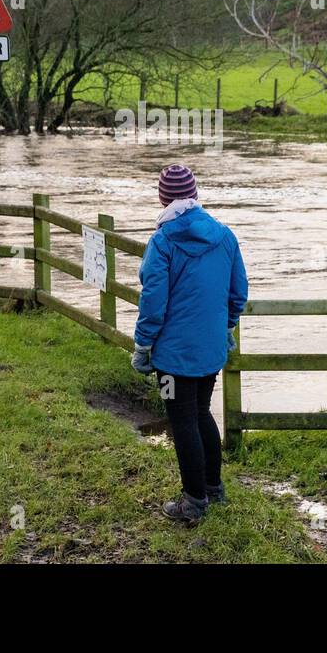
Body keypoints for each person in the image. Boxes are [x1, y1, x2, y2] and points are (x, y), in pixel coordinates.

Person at [132, 163, 248, 524]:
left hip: (173, 355)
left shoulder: (163, 241)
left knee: (182, 421)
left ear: (163, 198)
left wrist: (143, 346)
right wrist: (225, 326)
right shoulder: (225, 235)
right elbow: (238, 292)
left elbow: (153, 300)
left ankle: (193, 501)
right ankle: (213, 489)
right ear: (195, 196)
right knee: (201, 413)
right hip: (211, 349)